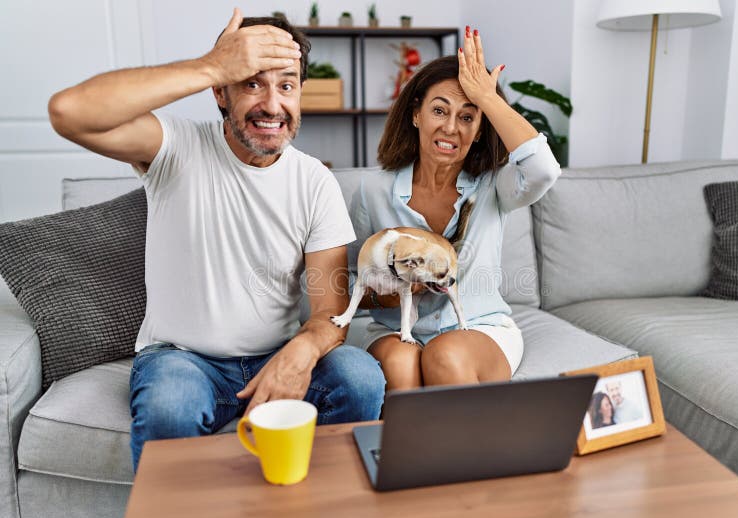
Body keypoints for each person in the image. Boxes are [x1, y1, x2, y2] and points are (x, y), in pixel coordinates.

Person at [48, 9, 385, 472]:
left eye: (286, 85)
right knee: (170, 404)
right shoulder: (176, 148)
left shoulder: (314, 181)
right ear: (220, 92)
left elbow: (332, 312)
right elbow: (69, 112)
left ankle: (317, 510)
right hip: (184, 361)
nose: (272, 104)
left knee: (359, 377)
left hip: (274, 354)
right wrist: (212, 63)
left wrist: (301, 352)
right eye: (251, 82)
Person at [349, 26, 561, 391]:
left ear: (480, 129)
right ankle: (403, 449)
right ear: (416, 115)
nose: (450, 128)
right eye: (439, 111)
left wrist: (488, 98)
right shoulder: (373, 189)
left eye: (467, 117)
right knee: (401, 364)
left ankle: (469, 449)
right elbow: (350, 279)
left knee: (444, 355)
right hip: (393, 326)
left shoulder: (495, 185)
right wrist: (389, 291)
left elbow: (543, 170)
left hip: (478, 328)